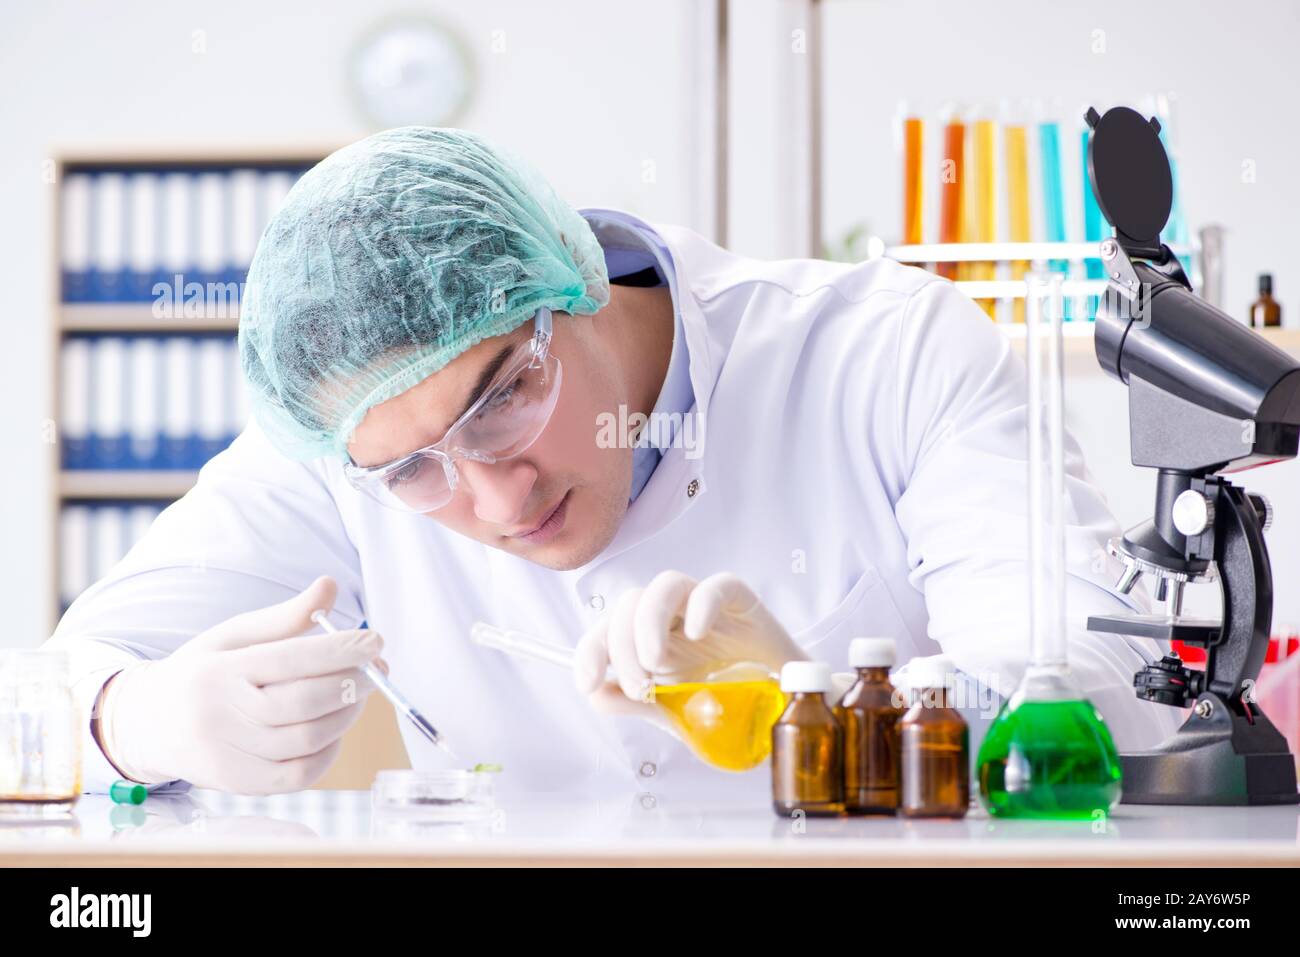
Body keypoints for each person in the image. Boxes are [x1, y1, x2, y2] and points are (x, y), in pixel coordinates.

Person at [46, 127, 1178, 799]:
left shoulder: (885, 351)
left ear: (575, 281)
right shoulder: (349, 448)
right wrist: (136, 721)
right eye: (413, 474)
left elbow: (1108, 699)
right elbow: (34, 703)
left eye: (502, 400)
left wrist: (817, 708)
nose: (495, 498)